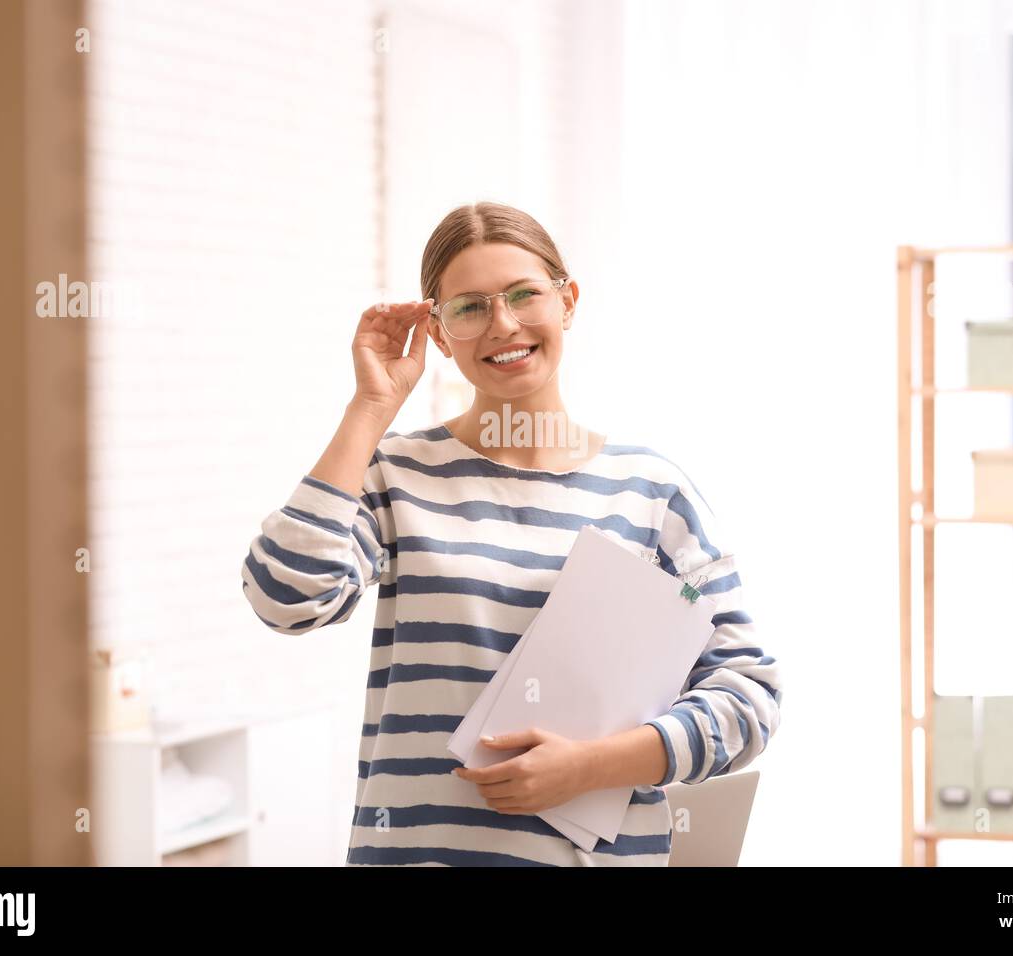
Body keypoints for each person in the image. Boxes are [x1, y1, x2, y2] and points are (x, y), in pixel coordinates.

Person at [241, 201, 781, 866]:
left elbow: (749, 698)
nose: (503, 324)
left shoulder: (651, 492)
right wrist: (369, 410)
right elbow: (285, 598)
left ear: (568, 302)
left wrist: (589, 767)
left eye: (525, 295)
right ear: (438, 333)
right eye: (469, 307)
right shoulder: (397, 474)